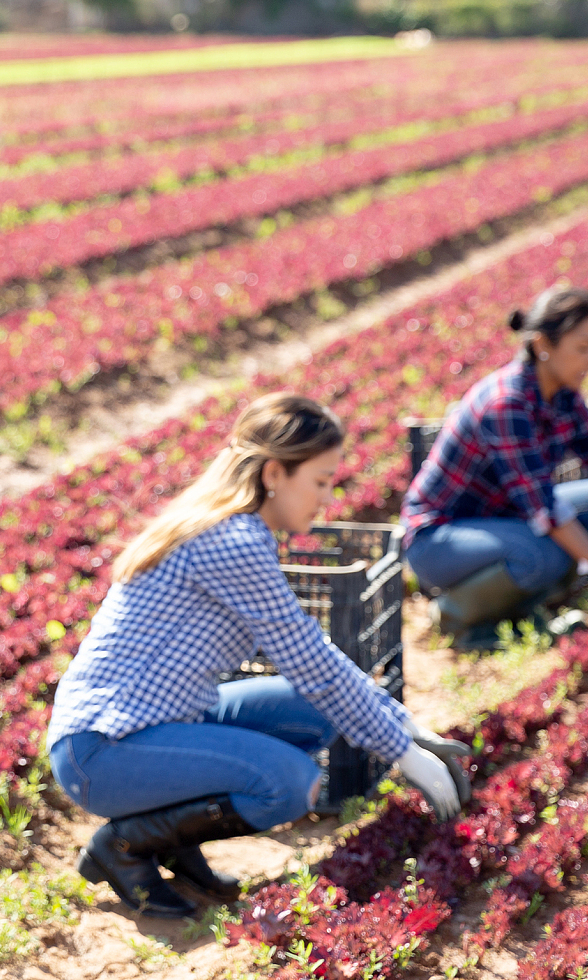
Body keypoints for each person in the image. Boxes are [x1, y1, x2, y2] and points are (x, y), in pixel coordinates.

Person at [45, 392, 474, 918]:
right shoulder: (234, 542)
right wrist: (404, 757)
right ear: (275, 473)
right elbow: (312, 662)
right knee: (291, 784)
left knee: (314, 710)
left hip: (157, 719)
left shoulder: (228, 525)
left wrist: (407, 728)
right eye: (319, 481)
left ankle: (169, 839)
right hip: (103, 750)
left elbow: (319, 665)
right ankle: (125, 845)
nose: (326, 498)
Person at [401, 286, 588, 651]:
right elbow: (546, 510)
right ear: (542, 344)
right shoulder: (506, 403)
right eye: (583, 347)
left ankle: (535, 595)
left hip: (504, 519)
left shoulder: (563, 393)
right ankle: (457, 616)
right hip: (439, 538)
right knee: (543, 554)